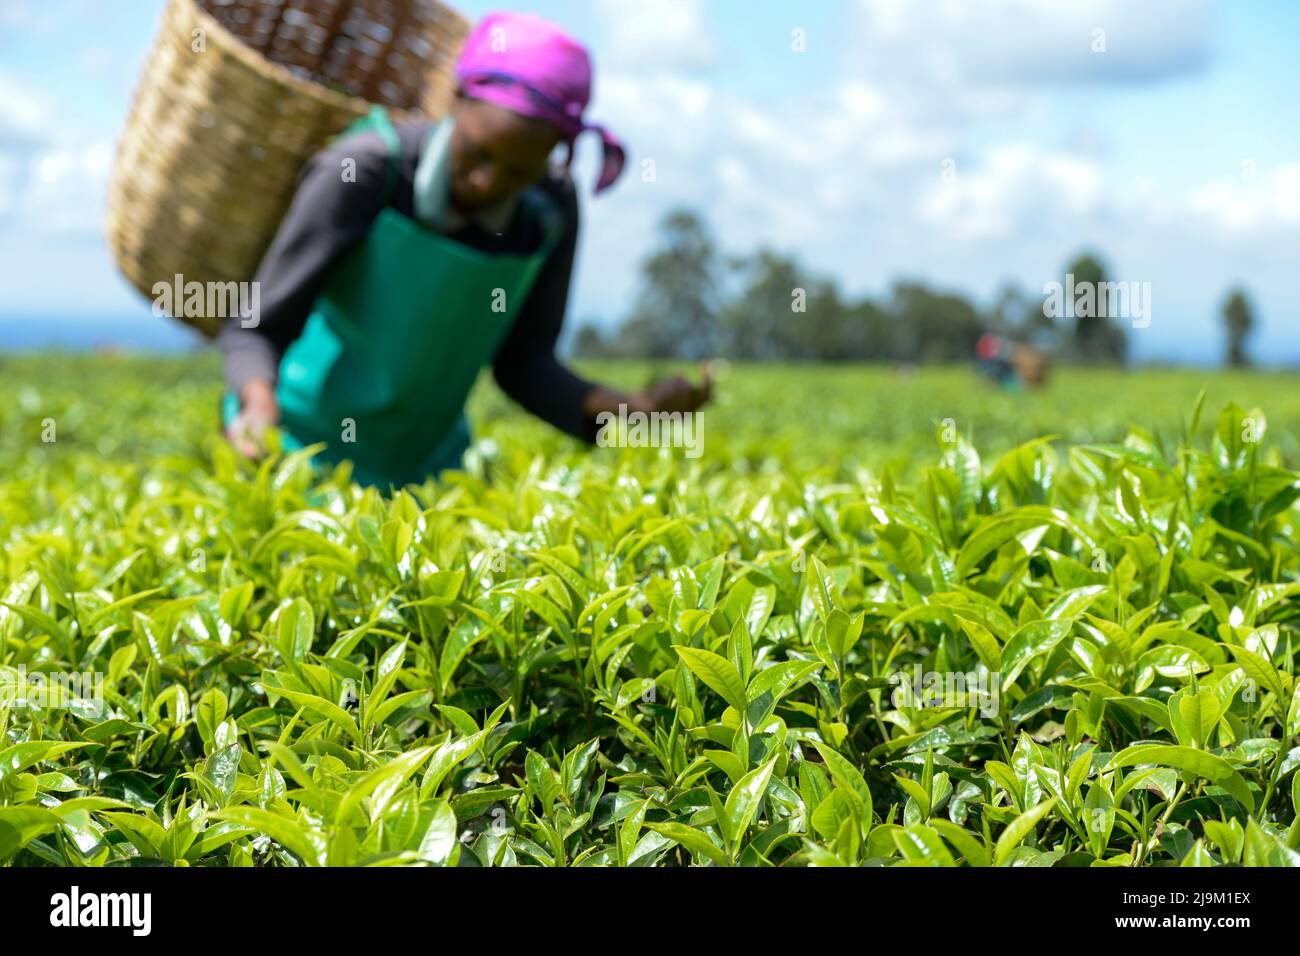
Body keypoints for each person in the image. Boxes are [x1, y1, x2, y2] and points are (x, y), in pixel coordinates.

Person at [219, 11, 710, 488]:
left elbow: (525, 364)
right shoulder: (364, 173)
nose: (486, 183)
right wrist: (259, 407)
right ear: (454, 102)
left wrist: (630, 410)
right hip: (293, 449)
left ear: (555, 152)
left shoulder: (548, 209)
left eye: (518, 173)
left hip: (422, 471)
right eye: (477, 153)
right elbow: (257, 328)